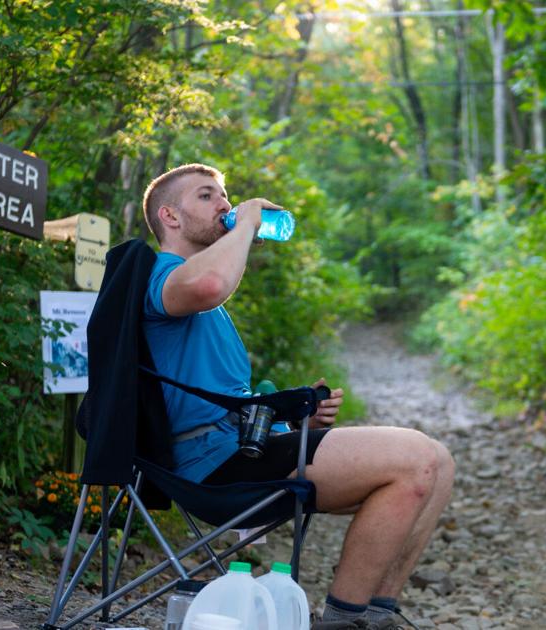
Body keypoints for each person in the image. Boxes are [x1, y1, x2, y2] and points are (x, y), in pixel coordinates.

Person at [140, 163, 454, 630]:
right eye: (207, 196)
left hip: (241, 450)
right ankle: (342, 620)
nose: (225, 205)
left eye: (226, 196)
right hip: (209, 466)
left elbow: (227, 401)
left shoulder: (210, 308)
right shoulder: (159, 275)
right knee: (414, 458)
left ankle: (377, 613)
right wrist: (246, 223)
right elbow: (209, 284)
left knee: (439, 462)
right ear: (169, 216)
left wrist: (297, 427)